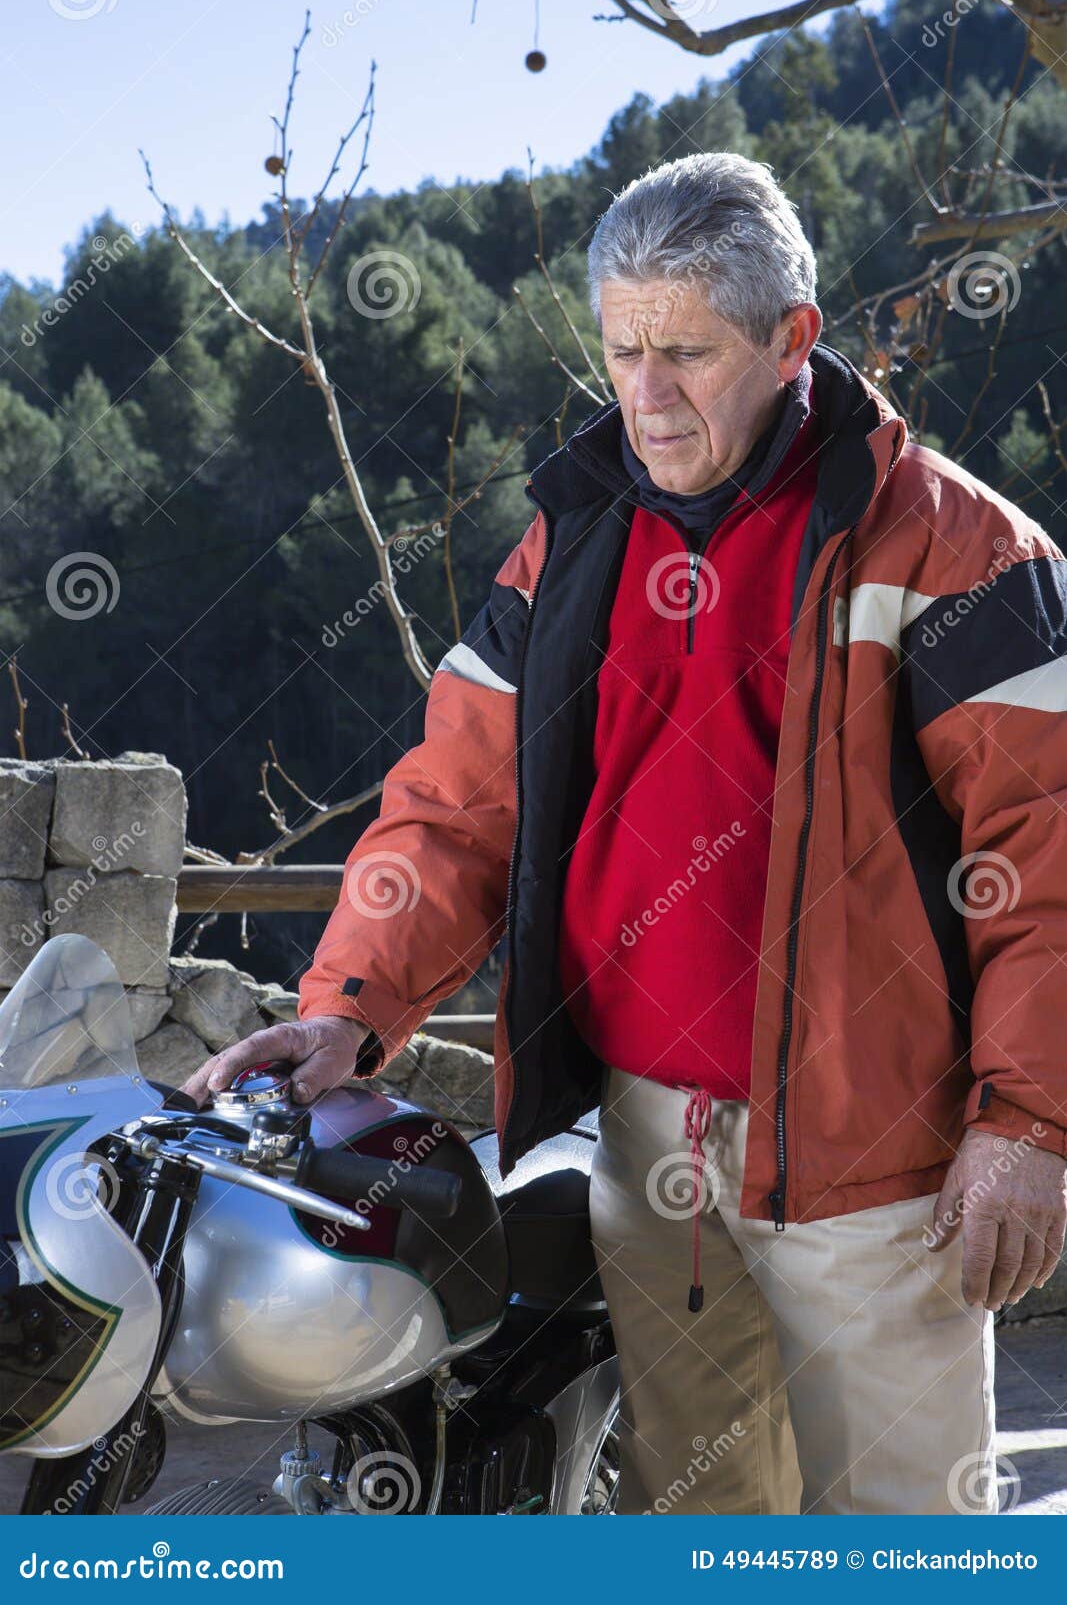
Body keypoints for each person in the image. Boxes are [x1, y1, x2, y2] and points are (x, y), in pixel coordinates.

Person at [185, 151, 1067, 1516]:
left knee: (904, 1540)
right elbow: (452, 805)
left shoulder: (961, 552)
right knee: (690, 1522)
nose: (645, 397)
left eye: (687, 355)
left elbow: (1050, 861)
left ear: (793, 342)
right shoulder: (566, 544)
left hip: (881, 1163)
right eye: (622, 352)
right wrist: (348, 1004)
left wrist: (1032, 1121)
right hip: (648, 1153)